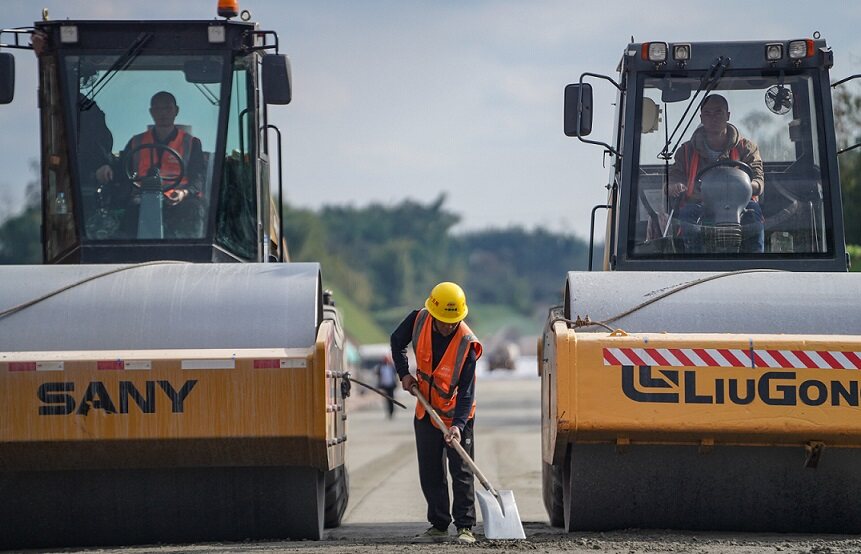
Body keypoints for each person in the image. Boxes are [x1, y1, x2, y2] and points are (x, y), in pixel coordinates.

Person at [391, 282, 482, 545]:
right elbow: (397, 341)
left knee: (461, 471)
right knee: (430, 471)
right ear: (433, 312)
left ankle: (465, 526)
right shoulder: (418, 320)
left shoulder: (467, 344)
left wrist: (458, 426)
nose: (448, 326)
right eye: (443, 321)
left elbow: (466, 393)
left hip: (456, 415)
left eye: (454, 322)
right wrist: (404, 373)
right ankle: (440, 524)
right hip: (426, 410)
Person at [96, 91, 205, 238]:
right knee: (131, 213)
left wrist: (183, 193)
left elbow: (198, 178)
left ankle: (191, 250)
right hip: (142, 197)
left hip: (179, 198)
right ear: (151, 112)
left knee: (193, 209)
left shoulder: (192, 143)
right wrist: (107, 168)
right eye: (158, 109)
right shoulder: (136, 142)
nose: (163, 113)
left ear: (176, 111)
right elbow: (122, 169)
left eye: (167, 108)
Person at [667, 94, 765, 253]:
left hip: (741, 206)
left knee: (754, 215)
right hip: (700, 204)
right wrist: (675, 186)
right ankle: (692, 261)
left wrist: (745, 186)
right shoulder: (685, 151)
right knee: (687, 214)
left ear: (728, 115)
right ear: (701, 118)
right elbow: (673, 179)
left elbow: (758, 180)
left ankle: (756, 262)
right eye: (707, 113)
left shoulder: (747, 148)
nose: (713, 118)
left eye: (718, 112)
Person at [377, 353, 398, 419]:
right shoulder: (381, 367)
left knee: (391, 399)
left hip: (391, 385)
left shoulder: (391, 367)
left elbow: (395, 376)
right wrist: (379, 385)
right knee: (386, 400)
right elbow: (379, 376)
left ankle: (392, 412)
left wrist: (396, 383)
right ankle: (388, 412)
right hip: (384, 385)